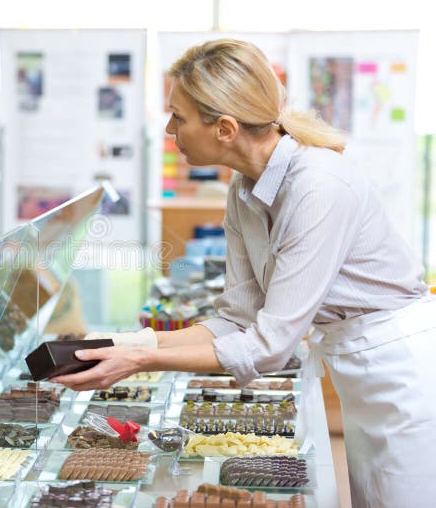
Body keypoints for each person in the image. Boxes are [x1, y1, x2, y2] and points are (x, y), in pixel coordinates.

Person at [52, 39, 436, 507]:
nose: (169, 128)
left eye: (179, 116)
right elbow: (236, 318)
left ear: (225, 128)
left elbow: (271, 345)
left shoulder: (319, 186)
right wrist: (128, 344)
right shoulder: (245, 189)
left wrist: (139, 361)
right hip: (359, 364)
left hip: (403, 369)